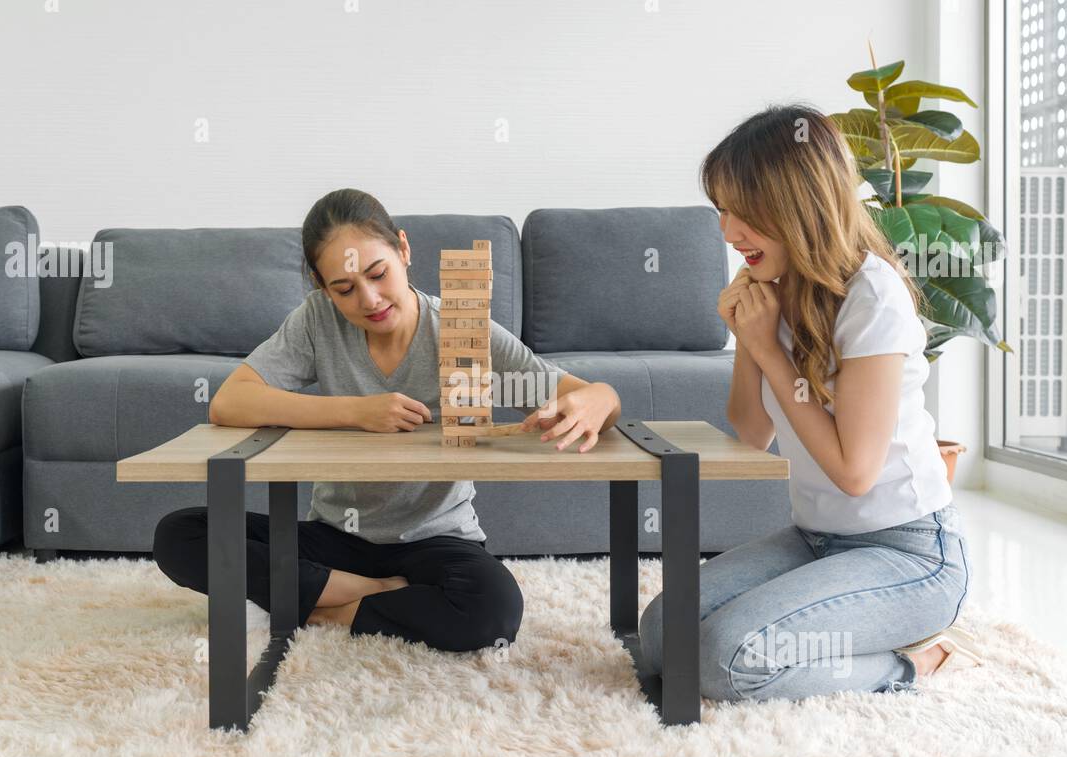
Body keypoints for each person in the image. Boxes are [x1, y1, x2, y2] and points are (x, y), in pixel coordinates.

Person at [152, 188, 622, 652]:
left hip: (434, 540)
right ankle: (374, 593)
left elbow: (586, 397)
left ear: (403, 248)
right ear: (322, 288)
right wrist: (356, 411)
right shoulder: (318, 321)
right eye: (344, 289)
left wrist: (601, 397)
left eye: (379, 273)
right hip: (337, 536)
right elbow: (230, 402)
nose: (370, 299)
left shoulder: (460, 326)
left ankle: (316, 602)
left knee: (493, 610)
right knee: (178, 535)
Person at [638, 105, 980, 703]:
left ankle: (909, 666)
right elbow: (750, 432)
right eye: (722, 209)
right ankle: (840, 632)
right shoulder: (779, 288)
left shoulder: (873, 295)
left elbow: (854, 473)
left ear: (798, 205)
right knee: (664, 635)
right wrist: (751, 337)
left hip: (909, 553)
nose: (728, 231)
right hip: (815, 538)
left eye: (743, 212)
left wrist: (772, 353)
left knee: (725, 659)